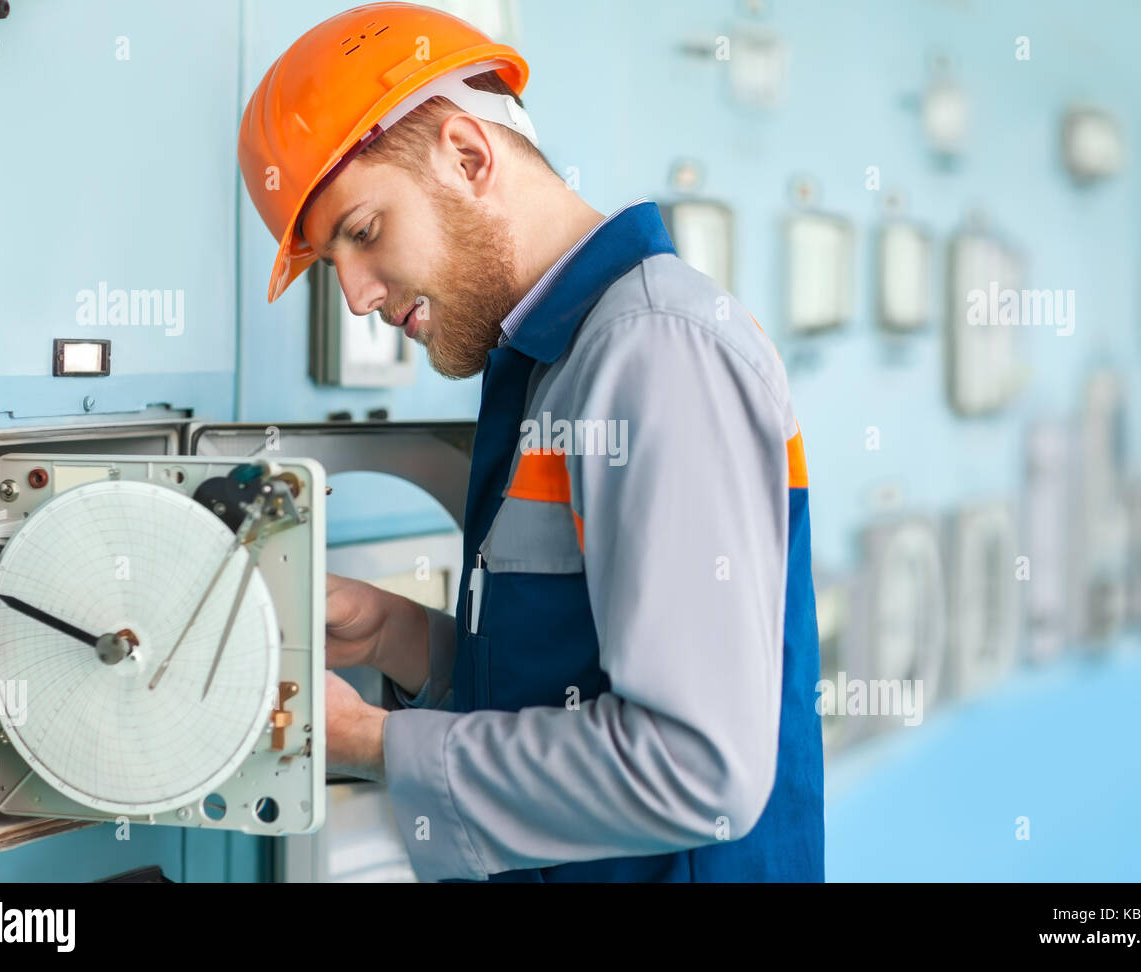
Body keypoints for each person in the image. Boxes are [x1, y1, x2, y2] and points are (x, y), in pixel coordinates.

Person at [238, 2, 823, 882]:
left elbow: (696, 773)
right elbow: (561, 688)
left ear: (469, 157)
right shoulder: (556, 362)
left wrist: (371, 740)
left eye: (363, 234)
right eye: (333, 263)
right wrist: (394, 638)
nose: (357, 296)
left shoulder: (657, 352)